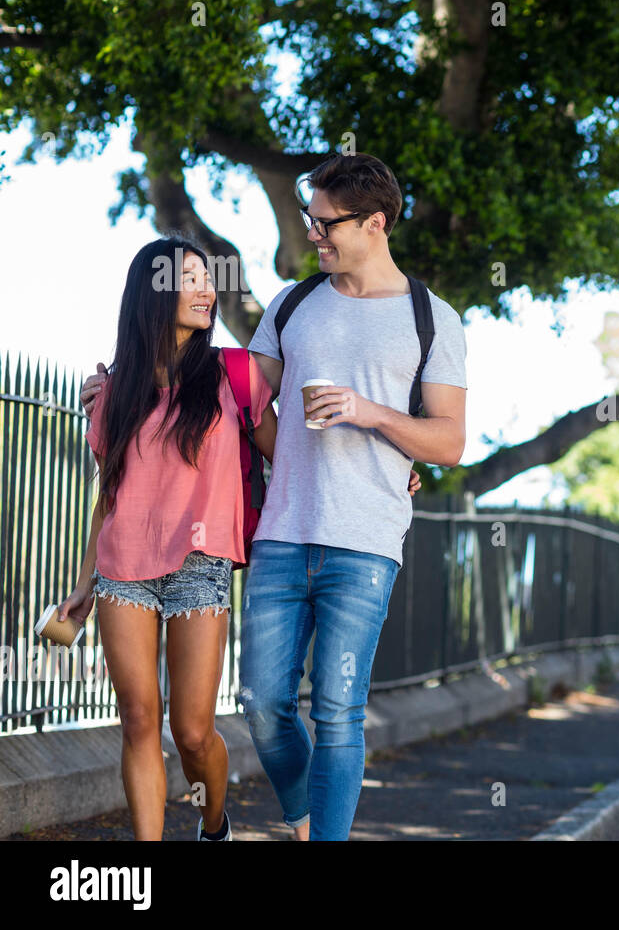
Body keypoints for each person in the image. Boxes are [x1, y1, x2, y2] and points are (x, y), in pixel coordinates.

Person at [82, 152, 468, 841]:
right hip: (283, 535)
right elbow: (220, 397)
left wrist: (379, 425)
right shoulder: (291, 306)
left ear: (374, 223)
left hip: (366, 540)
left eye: (324, 223)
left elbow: (448, 441)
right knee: (263, 706)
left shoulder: (431, 320)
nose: (312, 234)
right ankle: (302, 816)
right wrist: (113, 392)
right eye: (310, 221)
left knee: (340, 709)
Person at [59, 237, 277, 841]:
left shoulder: (236, 376)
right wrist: (83, 588)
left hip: (202, 563)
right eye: (191, 279)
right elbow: (110, 497)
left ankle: (215, 828)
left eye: (209, 279)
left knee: (192, 730)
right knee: (137, 719)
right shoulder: (113, 390)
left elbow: (290, 460)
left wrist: (391, 471)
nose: (208, 291)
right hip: (123, 567)